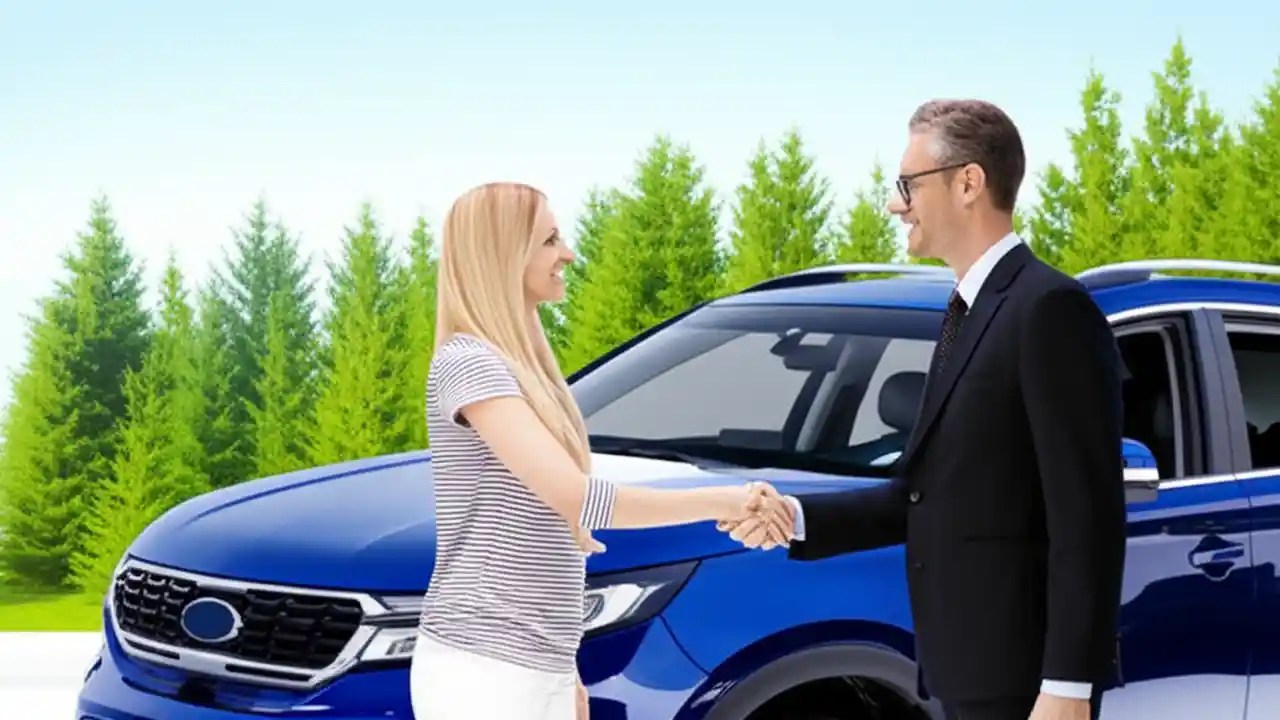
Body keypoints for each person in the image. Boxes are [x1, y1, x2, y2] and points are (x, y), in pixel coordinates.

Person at [720, 100, 1126, 720]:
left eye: (908, 184)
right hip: (964, 668)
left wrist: (1068, 686)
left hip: (1024, 683)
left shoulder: (1049, 310)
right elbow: (923, 495)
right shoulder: (966, 312)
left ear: (969, 182)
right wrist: (794, 517)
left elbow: (1087, 516)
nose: (894, 203)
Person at [409, 181, 773, 720]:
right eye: (550, 239)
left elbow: (541, 530)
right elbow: (577, 499)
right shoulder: (471, 364)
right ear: (503, 254)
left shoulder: (515, 366)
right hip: (485, 671)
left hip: (530, 668)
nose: (568, 254)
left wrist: (565, 668)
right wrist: (725, 501)